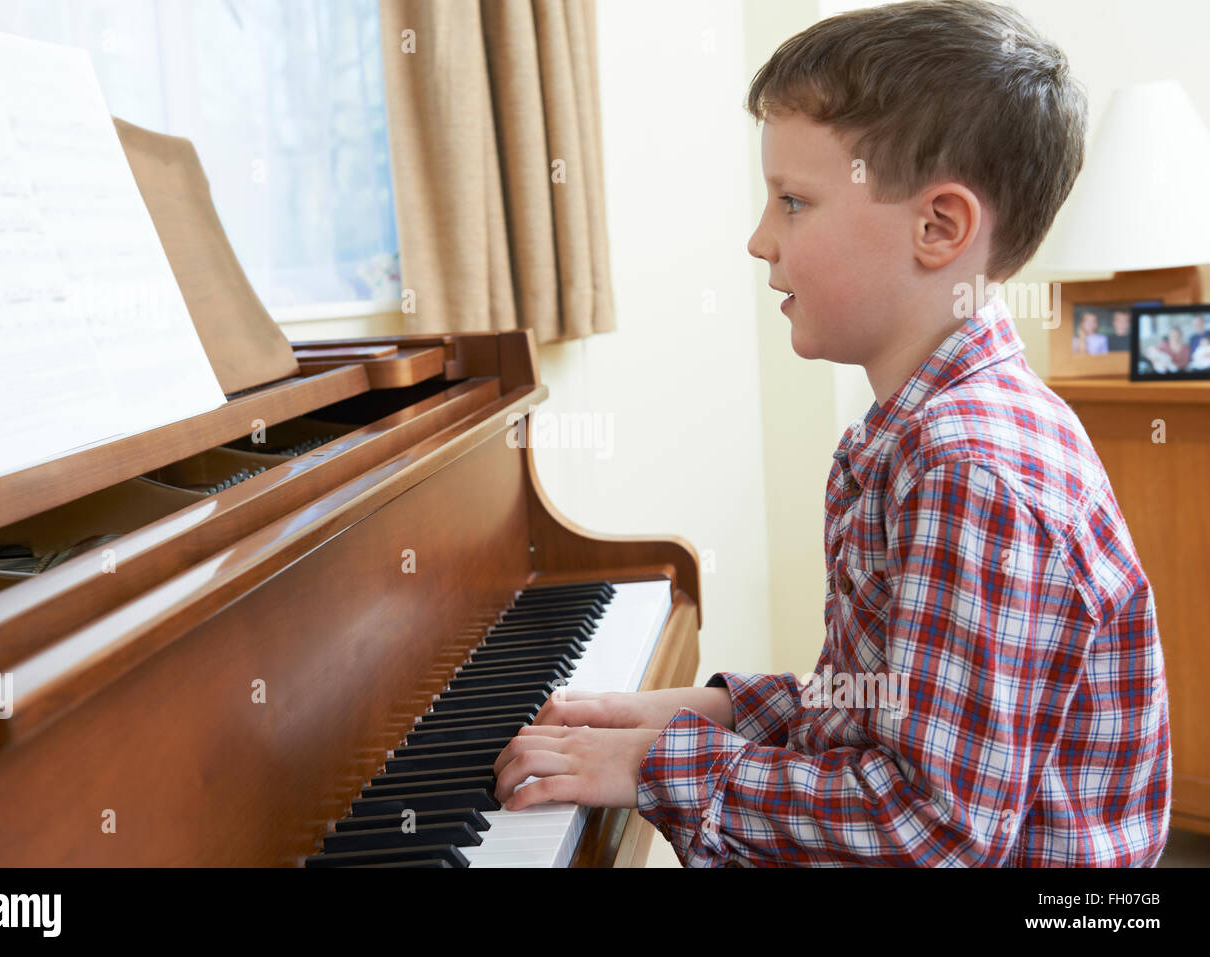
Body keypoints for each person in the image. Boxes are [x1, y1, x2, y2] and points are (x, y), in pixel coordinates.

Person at [492, 0, 1171, 867]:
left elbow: (931, 832)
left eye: (793, 202)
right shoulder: (914, 431)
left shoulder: (974, 469)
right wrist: (718, 712)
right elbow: (889, 708)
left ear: (939, 228)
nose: (758, 239)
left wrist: (661, 763)